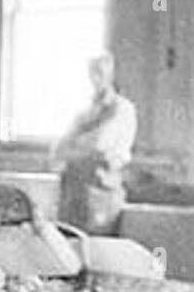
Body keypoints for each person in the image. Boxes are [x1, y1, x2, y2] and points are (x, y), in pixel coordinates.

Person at [51, 51, 137, 235]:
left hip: (101, 194)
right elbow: (58, 150)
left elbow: (101, 144)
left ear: (112, 74)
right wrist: (79, 146)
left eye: (100, 71)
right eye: (92, 72)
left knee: (98, 253)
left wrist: (76, 144)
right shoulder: (84, 111)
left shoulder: (122, 109)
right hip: (73, 194)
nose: (96, 78)